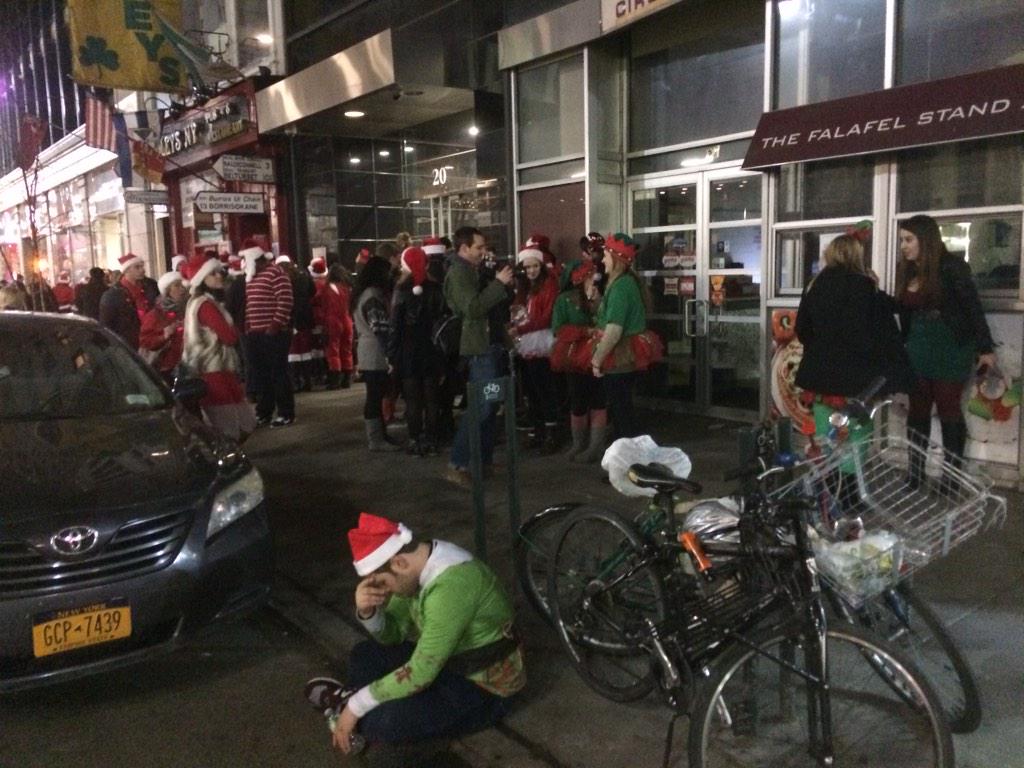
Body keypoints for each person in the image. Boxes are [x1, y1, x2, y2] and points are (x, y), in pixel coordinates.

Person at [304, 513, 524, 764]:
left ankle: (347, 707)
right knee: (365, 653)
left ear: (399, 563)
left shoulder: (451, 586)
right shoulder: (418, 562)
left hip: (484, 688)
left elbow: (421, 672)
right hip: (446, 664)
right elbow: (393, 635)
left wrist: (356, 706)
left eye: (384, 583)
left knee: (384, 722)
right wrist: (368, 612)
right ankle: (351, 706)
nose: (386, 591)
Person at [895, 214, 997, 487]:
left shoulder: (952, 266)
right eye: (902, 240)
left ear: (925, 240)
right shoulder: (907, 270)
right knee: (918, 409)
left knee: (948, 408)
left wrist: (985, 348)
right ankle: (915, 473)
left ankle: (951, 478)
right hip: (918, 345)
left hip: (950, 346)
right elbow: (902, 309)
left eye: (908, 240)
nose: (903, 246)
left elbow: (972, 307)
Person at [795, 234, 913, 446]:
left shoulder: (813, 285)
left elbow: (802, 329)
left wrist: (819, 348)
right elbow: (881, 330)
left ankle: (828, 466)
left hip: (820, 374)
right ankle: (852, 468)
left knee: (826, 436)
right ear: (857, 256)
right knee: (855, 437)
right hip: (858, 378)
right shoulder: (864, 286)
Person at [443, 226, 515, 488]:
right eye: (479, 247)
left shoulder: (472, 270)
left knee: (491, 404)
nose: (484, 252)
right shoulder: (459, 273)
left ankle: (482, 460)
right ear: (464, 248)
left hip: (490, 345)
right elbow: (472, 308)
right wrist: (498, 284)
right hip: (480, 348)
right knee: (482, 406)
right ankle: (458, 464)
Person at [181, 254, 256, 442]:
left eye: (219, 272)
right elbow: (229, 336)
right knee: (230, 423)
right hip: (213, 368)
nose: (219, 276)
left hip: (212, 367)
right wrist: (234, 329)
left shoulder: (199, 301)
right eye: (213, 273)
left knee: (236, 421)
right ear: (201, 278)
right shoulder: (206, 305)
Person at [591, 233, 655, 440]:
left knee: (621, 411)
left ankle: (627, 455)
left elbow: (614, 330)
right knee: (622, 408)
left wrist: (597, 359)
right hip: (624, 354)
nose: (602, 260)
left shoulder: (621, 286)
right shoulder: (625, 283)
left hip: (620, 355)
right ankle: (625, 453)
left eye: (605, 256)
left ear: (616, 258)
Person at [388, 246, 446, 456]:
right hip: (432, 349)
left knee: (413, 400)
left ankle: (415, 440)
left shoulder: (400, 290)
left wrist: (391, 355)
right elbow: (443, 318)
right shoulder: (436, 288)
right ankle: (432, 440)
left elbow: (395, 326)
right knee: (432, 399)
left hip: (408, 351)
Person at [551, 258, 607, 462]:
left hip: (598, 354)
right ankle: (578, 444)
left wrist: (596, 301)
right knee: (577, 399)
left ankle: (595, 446)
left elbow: (606, 321)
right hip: (574, 357)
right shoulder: (564, 300)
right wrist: (584, 331)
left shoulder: (600, 295)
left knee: (599, 399)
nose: (594, 278)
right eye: (590, 275)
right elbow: (558, 329)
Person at [511, 245, 560, 454]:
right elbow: (520, 312)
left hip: (541, 341)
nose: (531, 271)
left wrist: (520, 328)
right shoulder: (524, 287)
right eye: (527, 267)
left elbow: (546, 318)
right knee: (531, 390)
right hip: (526, 341)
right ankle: (538, 431)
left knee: (544, 389)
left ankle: (551, 434)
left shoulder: (549, 285)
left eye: (535, 266)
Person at [244, 241, 295, 428]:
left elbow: (286, 300)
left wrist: (274, 326)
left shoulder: (276, 273)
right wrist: (248, 326)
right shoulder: (251, 277)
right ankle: (264, 411)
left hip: (274, 334)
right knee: (261, 375)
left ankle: (285, 412)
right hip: (255, 334)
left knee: (278, 374)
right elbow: (250, 304)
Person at [355, 256, 400, 452]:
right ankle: (376, 439)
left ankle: (380, 435)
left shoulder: (365, 294)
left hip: (369, 350)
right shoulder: (373, 296)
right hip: (375, 352)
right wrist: (390, 355)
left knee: (376, 395)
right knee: (374, 397)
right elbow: (380, 328)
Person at [139, 271, 187, 385]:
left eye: (182, 285)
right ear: (167, 290)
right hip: (166, 369)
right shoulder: (155, 314)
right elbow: (145, 342)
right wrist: (164, 336)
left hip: (187, 365)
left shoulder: (188, 309)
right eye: (177, 286)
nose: (182, 289)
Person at [315, 262, 355, 390]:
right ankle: (347, 379)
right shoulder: (347, 288)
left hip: (332, 321)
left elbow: (318, 301)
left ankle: (335, 380)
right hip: (347, 320)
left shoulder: (327, 288)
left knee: (333, 350)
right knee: (346, 349)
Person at [99, 253, 150, 349]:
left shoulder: (148, 288)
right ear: (126, 270)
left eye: (142, 266)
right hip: (126, 346)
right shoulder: (113, 295)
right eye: (137, 267)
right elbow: (106, 327)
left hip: (147, 343)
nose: (142, 270)